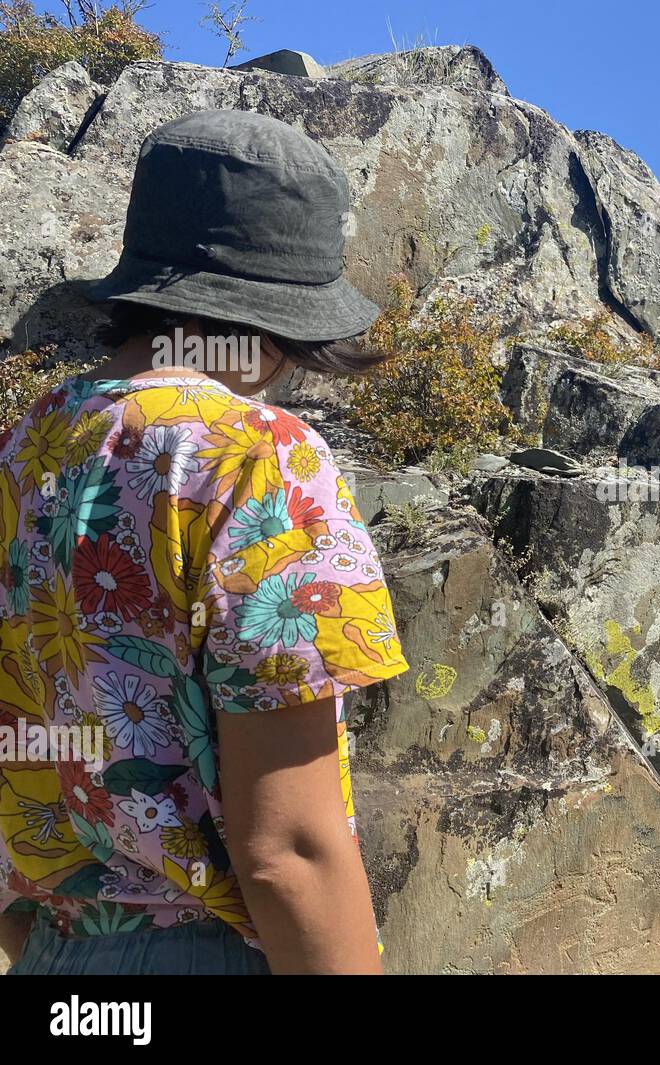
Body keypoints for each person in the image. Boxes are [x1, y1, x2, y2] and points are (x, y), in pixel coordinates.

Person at [0, 109, 408, 975]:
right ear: (284, 319)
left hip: (56, 958)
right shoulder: (262, 458)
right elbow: (287, 852)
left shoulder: (22, 451)